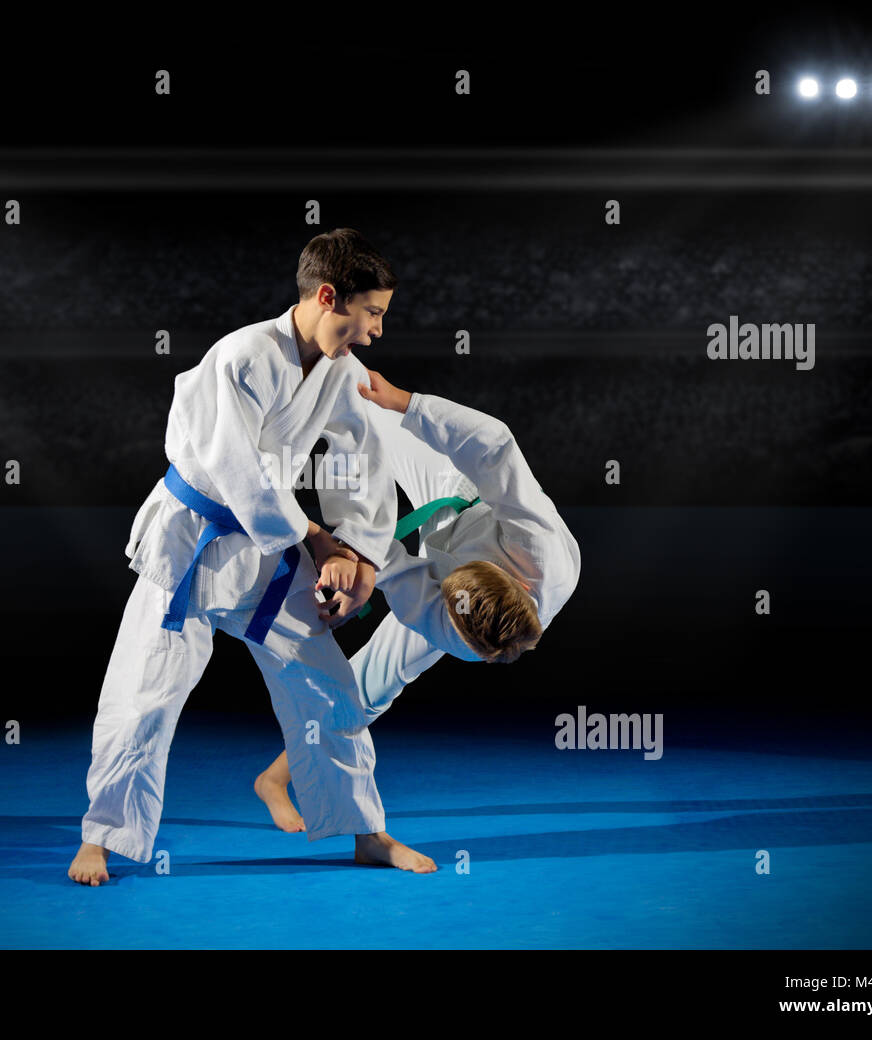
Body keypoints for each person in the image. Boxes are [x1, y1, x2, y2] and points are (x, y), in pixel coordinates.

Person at [70, 229, 437, 885]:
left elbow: (362, 469)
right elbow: (235, 470)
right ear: (330, 296)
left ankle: (366, 832)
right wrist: (317, 539)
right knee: (145, 696)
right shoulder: (242, 356)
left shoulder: (342, 375)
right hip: (191, 544)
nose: (378, 331)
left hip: (267, 556)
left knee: (329, 687)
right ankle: (101, 838)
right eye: (373, 311)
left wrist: (356, 554)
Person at [253, 367, 582, 832]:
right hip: (467, 495)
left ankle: (273, 778)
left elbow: (390, 564)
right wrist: (408, 402)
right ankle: (293, 384)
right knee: (364, 400)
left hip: (465, 576)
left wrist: (354, 563)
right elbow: (495, 446)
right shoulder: (528, 539)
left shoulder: (464, 624)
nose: (435, 573)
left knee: (370, 681)